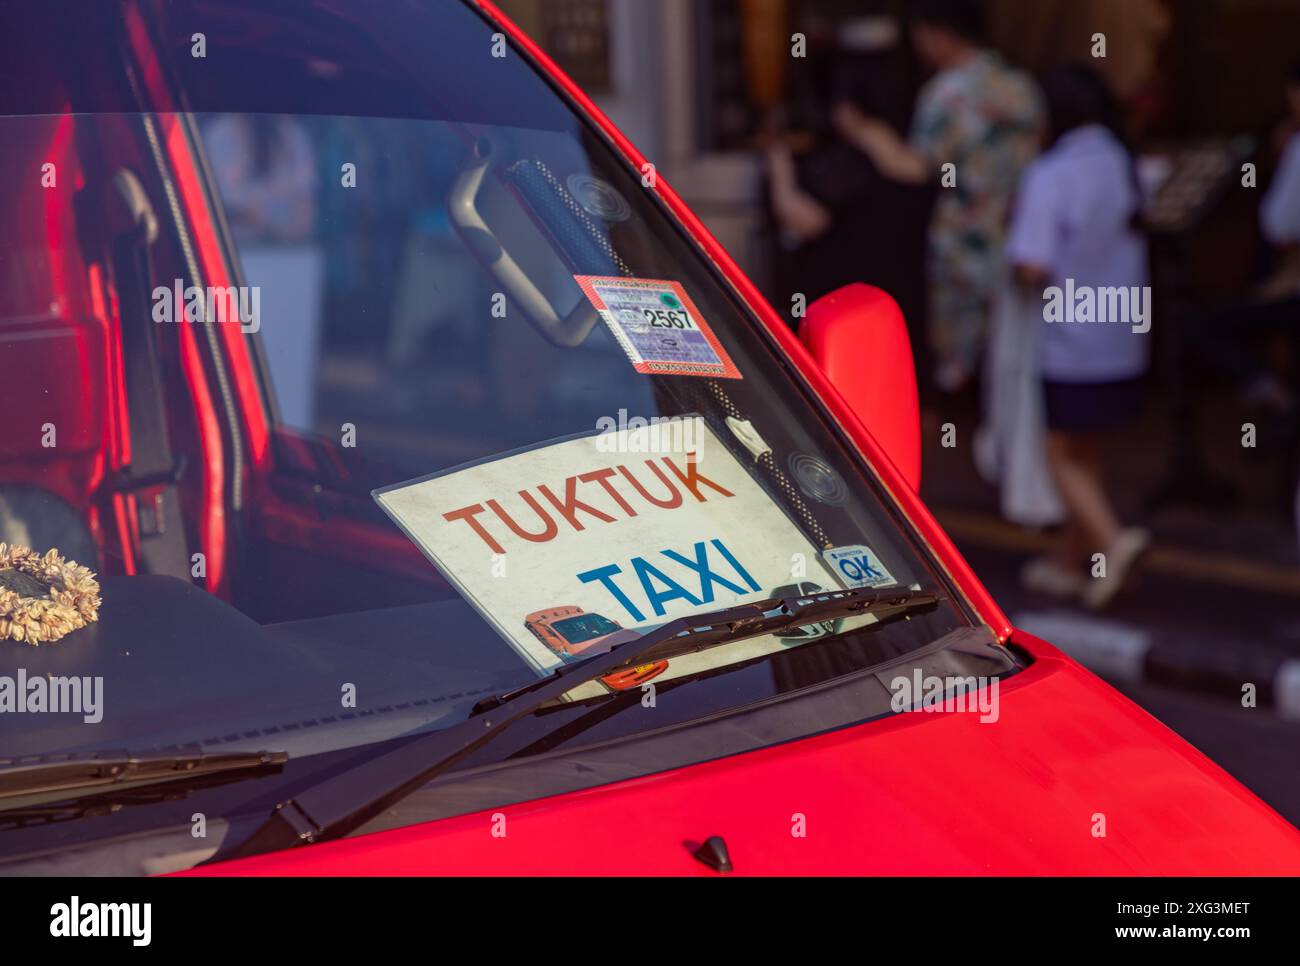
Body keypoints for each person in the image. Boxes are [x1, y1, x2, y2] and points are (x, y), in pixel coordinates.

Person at [832, 0, 1042, 394]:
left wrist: (863, 130)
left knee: (958, 370)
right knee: (1010, 361)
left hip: (964, 243)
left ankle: (959, 442)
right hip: (1021, 237)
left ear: (938, 33)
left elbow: (913, 169)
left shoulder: (947, 94)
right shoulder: (1020, 87)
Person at [1007, 65, 1151, 609]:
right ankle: (1074, 562)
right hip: (1121, 334)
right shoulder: (1121, 161)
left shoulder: (1052, 173)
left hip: (1070, 336)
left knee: (1060, 452)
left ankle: (1114, 542)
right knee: (1085, 448)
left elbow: (1031, 264)